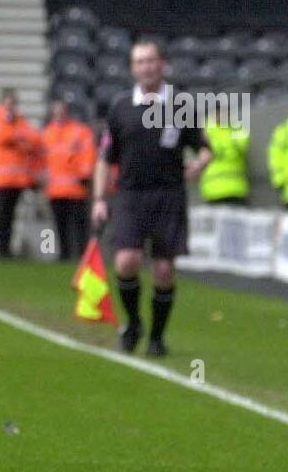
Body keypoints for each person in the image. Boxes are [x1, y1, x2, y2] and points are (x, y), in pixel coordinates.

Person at [90, 40, 212, 358]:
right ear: (133, 68)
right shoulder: (119, 107)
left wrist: (199, 164)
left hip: (168, 195)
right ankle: (133, 323)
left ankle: (157, 337)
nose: (146, 66)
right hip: (129, 195)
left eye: (151, 60)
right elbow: (104, 157)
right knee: (126, 262)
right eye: (139, 61)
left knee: (163, 269)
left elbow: (204, 147)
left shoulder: (180, 104)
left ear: (162, 64)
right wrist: (100, 199)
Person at [0, 88, 41, 259]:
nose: (11, 106)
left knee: (11, 216)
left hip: (18, 179)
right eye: (8, 102)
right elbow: (2, 137)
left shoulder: (19, 120)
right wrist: (18, 137)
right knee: (2, 215)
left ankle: (7, 249)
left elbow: (34, 140)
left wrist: (18, 137)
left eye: (13, 103)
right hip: (2, 178)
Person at [41, 99, 96, 259]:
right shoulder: (46, 133)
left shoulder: (80, 131)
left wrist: (85, 175)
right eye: (55, 112)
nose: (58, 115)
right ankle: (63, 256)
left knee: (80, 226)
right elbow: (41, 159)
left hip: (76, 188)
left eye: (61, 112)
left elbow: (88, 154)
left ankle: (83, 256)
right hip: (54, 190)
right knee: (60, 226)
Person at [198, 104, 250, 205]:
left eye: (222, 111)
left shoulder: (237, 129)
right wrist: (228, 146)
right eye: (216, 112)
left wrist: (217, 147)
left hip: (236, 189)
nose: (219, 115)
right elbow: (206, 150)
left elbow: (241, 146)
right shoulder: (203, 131)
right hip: (212, 190)